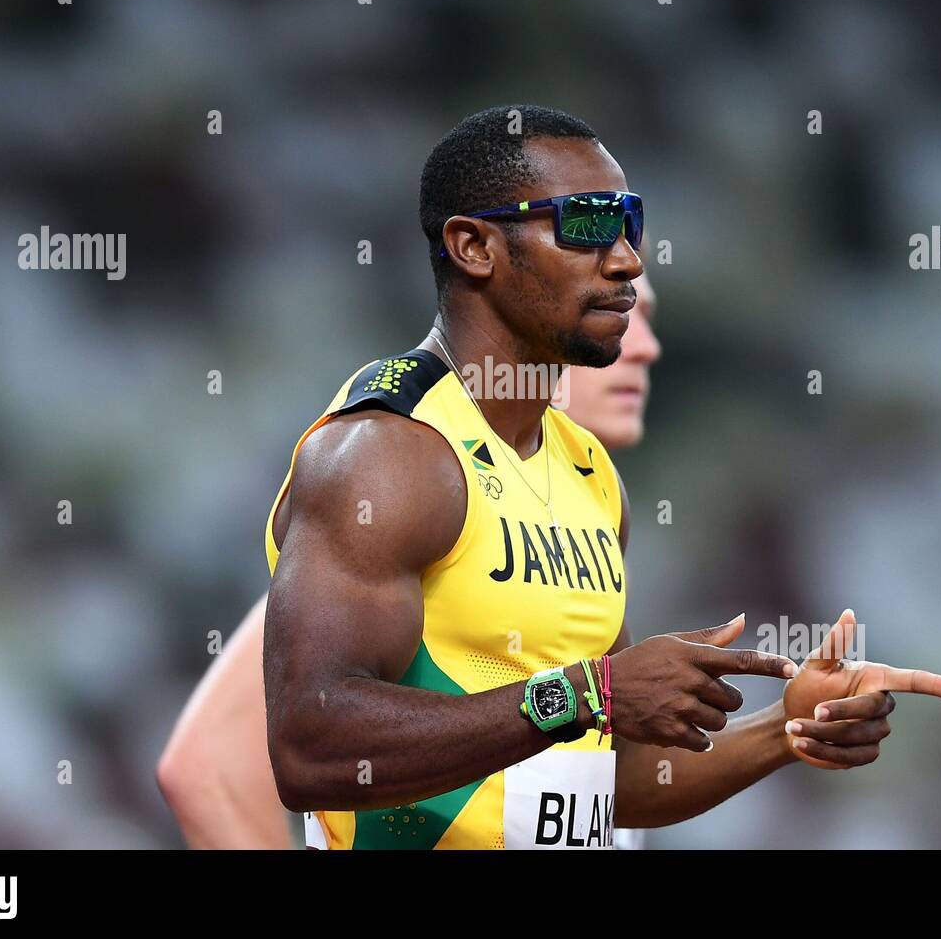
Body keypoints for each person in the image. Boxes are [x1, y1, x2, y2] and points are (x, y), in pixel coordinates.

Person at [258, 104, 941, 849]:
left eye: (631, 221)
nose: (627, 257)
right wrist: (586, 693)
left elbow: (608, 774)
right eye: (588, 223)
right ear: (473, 246)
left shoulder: (589, 469)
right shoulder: (388, 453)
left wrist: (786, 728)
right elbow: (312, 747)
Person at [157, 268, 662, 849]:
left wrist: (778, 731)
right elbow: (210, 766)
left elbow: (607, 769)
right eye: (622, 315)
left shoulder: (586, 497)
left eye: (642, 316)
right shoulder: (402, 493)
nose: (643, 346)